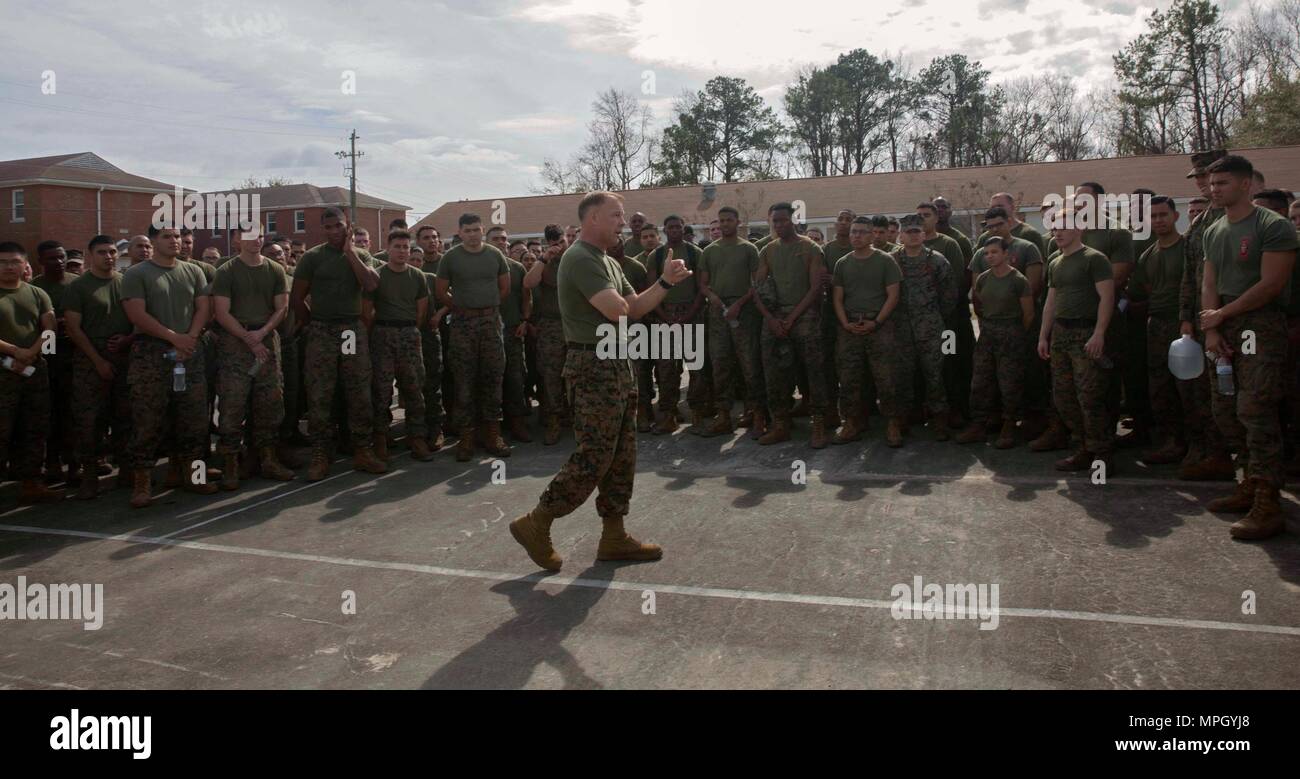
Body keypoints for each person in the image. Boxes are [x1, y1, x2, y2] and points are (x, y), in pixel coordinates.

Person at [508, 191, 688, 572]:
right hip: (592, 365)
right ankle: (537, 521)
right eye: (616, 216)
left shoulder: (606, 260)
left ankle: (614, 535)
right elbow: (616, 311)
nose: (622, 223)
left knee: (622, 454)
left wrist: (665, 284)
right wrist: (634, 302)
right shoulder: (579, 258)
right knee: (594, 455)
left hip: (616, 360)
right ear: (592, 220)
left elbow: (635, 307)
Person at [1199, 154, 1299, 540]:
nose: (1214, 189)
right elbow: (1208, 281)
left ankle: (1268, 502)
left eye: (1222, 183)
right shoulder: (1214, 228)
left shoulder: (1272, 226)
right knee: (1225, 409)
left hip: (1260, 323)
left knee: (1255, 409)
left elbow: (1271, 284)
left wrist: (1222, 313)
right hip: (1223, 323)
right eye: (1212, 183)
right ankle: (1248, 483)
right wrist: (1212, 327)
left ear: (1246, 185)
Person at [121, 226, 223, 507]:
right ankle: (142, 482)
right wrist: (173, 337)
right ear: (153, 241)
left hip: (190, 352)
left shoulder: (194, 271)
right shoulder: (137, 274)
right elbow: (136, 314)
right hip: (152, 354)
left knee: (194, 419)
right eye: (167, 236)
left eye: (177, 236)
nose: (175, 241)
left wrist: (189, 338)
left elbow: (204, 307)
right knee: (147, 420)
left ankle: (194, 475)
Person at [290, 207, 387, 481]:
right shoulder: (312, 258)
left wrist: (349, 252)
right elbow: (297, 298)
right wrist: (313, 325)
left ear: (349, 227)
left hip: (351, 331)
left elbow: (370, 285)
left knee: (358, 391)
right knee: (320, 394)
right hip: (322, 329)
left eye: (338, 226)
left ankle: (363, 450)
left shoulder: (361, 255)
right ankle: (321, 453)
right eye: (328, 227)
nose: (333, 231)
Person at [210, 226, 296, 489]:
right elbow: (221, 312)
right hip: (235, 343)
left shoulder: (274, 270)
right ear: (237, 240)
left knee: (270, 403)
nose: (256, 241)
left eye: (260, 236)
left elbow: (282, 307)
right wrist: (248, 338)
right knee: (232, 405)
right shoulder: (226, 271)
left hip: (267, 340)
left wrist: (262, 334)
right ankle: (232, 465)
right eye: (249, 236)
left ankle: (267, 459)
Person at [1037, 208, 1116, 473]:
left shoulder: (1094, 259)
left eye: (1063, 227)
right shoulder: (1055, 261)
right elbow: (1050, 301)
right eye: (1054, 228)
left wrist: (1099, 333)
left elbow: (1107, 297)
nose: (1057, 232)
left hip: (1086, 333)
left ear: (1079, 229)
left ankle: (1101, 453)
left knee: (1090, 396)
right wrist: (1043, 336)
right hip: (1061, 333)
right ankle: (1082, 447)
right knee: (1064, 397)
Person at [1177, 149, 1236, 481]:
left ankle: (1243, 462)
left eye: (1207, 176)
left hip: (1232, 318)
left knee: (1235, 396)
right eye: (1198, 178)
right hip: (1202, 320)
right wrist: (1187, 317)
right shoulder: (1199, 224)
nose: (1203, 184)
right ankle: (1216, 455)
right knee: (1205, 392)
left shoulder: (1237, 219)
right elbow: (1189, 275)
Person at [435, 213, 512, 462]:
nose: (472, 235)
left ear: (482, 231)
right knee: (464, 381)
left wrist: (486, 307)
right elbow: (440, 291)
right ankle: (466, 436)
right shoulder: (451, 257)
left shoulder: (495, 255)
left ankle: (492, 433)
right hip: (462, 325)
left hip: (490, 323)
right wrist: (460, 306)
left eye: (476, 230)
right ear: (460, 232)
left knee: (493, 377)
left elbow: (505, 288)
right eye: (467, 231)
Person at [753, 202, 829, 447]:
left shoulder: (810, 248)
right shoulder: (767, 250)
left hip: (804, 315)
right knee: (773, 374)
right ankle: (780, 424)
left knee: (813, 372)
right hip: (774, 318)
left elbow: (816, 288)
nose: (779, 225)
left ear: (793, 220)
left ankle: (818, 424)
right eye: (774, 221)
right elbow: (757, 288)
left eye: (783, 220)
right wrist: (771, 318)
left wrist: (793, 317)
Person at [63, 235, 134, 499]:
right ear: (90, 254)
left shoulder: (127, 282)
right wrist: (98, 360)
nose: (109, 257)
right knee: (89, 421)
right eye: (102, 252)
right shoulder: (79, 287)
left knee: (125, 417)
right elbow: (73, 328)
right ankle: (90, 476)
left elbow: (140, 317)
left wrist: (128, 339)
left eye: (113, 251)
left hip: (124, 356)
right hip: (90, 358)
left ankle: (127, 471)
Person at [1129, 196, 1191, 466]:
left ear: (1176, 217)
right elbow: (1142, 292)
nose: (1158, 221)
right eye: (1152, 216)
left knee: (1190, 388)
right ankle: (1171, 442)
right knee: (1160, 387)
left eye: (1163, 215)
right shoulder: (1147, 255)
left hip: (1186, 325)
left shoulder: (1190, 248)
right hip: (1157, 324)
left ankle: (1201, 446)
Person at [363, 229, 436, 461]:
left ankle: (416, 438)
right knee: (382, 391)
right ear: (388, 248)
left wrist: (408, 329)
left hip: (409, 335)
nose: (402, 251)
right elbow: (366, 312)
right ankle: (381, 439)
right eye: (398, 247)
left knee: (414, 388)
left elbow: (421, 311)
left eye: (406, 247)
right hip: (383, 334)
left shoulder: (418, 276)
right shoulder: (376, 275)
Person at [0, 241, 63, 504]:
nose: (9, 267)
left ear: (25, 265)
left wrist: (32, 352)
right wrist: (15, 352)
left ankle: (31, 483)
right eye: (3, 262)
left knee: (35, 428)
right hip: (3, 370)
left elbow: (50, 329)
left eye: (14, 262)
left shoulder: (37, 294)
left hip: (34, 371)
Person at [956, 237, 1034, 448]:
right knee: (980, 381)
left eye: (994, 252)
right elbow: (980, 306)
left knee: (1009, 383)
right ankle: (979, 424)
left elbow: (1028, 315)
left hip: (1011, 334)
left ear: (1006, 254)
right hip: (988, 333)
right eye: (987, 253)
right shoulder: (983, 278)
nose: (989, 256)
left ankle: (1009, 425)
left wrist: (1014, 335)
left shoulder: (1018, 280)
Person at [832, 216, 903, 446]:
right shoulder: (843, 263)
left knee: (886, 378)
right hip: (850, 327)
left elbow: (893, 295)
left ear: (873, 235)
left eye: (862, 232)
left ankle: (893, 423)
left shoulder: (885, 261)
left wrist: (877, 322)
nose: (856, 236)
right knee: (849, 378)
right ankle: (852, 422)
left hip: (878, 326)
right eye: (853, 232)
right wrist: (845, 323)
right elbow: (838, 298)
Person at [699, 206, 764, 437]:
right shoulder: (710, 251)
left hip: (744, 312)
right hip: (718, 312)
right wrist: (713, 297)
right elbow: (703, 284)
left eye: (729, 220)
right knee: (720, 365)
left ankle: (757, 414)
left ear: (738, 222)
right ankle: (724, 415)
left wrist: (739, 303)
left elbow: (756, 283)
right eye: (721, 220)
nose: (725, 224)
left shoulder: (749, 249)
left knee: (749, 365)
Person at [892, 214, 957, 440]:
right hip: (900, 330)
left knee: (935, 375)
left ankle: (939, 419)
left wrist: (934, 319)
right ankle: (903, 418)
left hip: (930, 328)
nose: (912, 235)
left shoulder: (938, 260)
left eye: (916, 231)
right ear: (901, 235)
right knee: (902, 375)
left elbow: (949, 296)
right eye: (908, 231)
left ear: (923, 234)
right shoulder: (891, 260)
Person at [646, 215, 712, 434]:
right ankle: (668, 414)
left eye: (678, 227)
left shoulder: (695, 253)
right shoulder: (655, 256)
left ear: (684, 229)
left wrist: (690, 314)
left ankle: (697, 412)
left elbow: (701, 288)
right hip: (664, 315)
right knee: (666, 370)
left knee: (696, 367)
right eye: (670, 227)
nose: (674, 230)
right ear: (664, 229)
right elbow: (651, 290)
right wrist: (665, 316)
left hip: (691, 314)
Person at [31, 240, 76, 483]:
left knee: (74, 411)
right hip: (47, 355)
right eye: (51, 258)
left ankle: (74, 462)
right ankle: (52, 462)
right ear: (41, 261)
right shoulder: (35, 288)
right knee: (51, 412)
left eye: (61, 257)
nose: (58, 262)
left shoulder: (75, 283)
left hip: (75, 353)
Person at [523, 224, 570, 444]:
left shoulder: (576, 258)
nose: (558, 247)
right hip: (551, 326)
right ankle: (554, 420)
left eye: (561, 242)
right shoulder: (544, 261)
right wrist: (544, 258)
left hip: (577, 325)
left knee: (579, 375)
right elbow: (529, 282)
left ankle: (579, 418)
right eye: (554, 243)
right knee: (551, 376)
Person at [499, 235, 532, 442]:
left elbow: (526, 297)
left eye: (503, 240)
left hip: (512, 330)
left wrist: (524, 320)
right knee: (488, 380)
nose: (500, 243)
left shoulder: (517, 268)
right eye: (495, 239)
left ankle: (517, 423)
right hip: (484, 330)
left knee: (515, 377)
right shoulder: (481, 267)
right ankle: (490, 427)